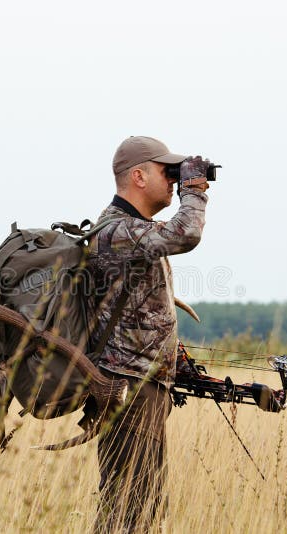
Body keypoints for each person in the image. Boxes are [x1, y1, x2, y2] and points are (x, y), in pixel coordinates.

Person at [87, 136, 210, 532]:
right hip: (128, 390)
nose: (173, 180)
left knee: (142, 506)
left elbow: (138, 312)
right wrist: (194, 190)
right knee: (128, 508)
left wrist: (174, 359)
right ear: (137, 176)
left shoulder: (134, 231)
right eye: (167, 171)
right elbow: (186, 233)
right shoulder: (116, 231)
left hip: (144, 386)